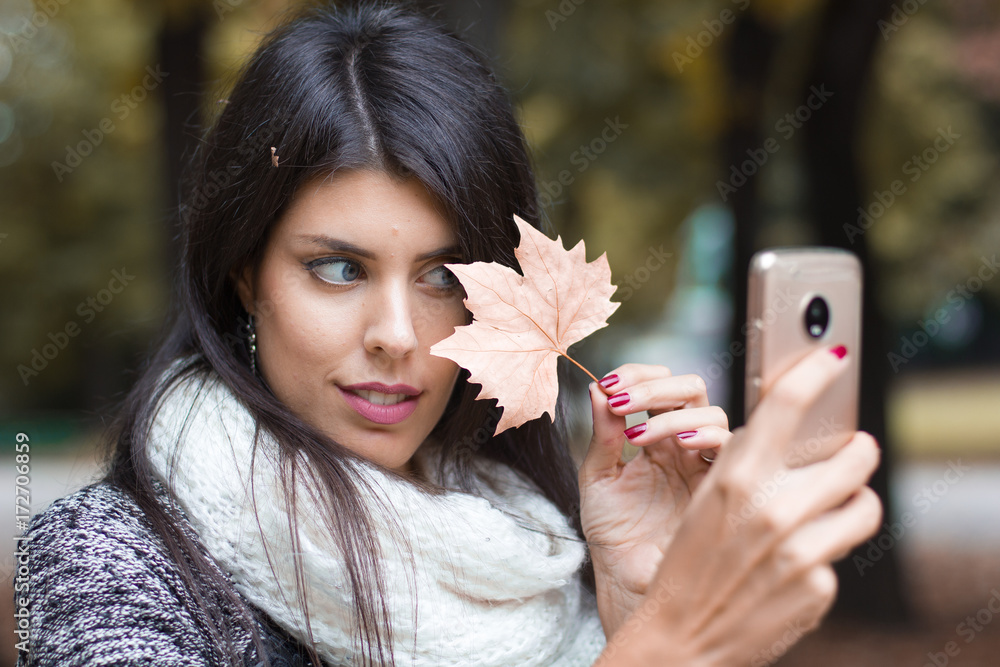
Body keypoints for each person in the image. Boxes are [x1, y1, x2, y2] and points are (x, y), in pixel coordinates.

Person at [19, 2, 882, 666]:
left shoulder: (532, 553)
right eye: (339, 268)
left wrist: (629, 609)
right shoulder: (106, 562)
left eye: (443, 278)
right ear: (245, 274)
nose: (399, 334)